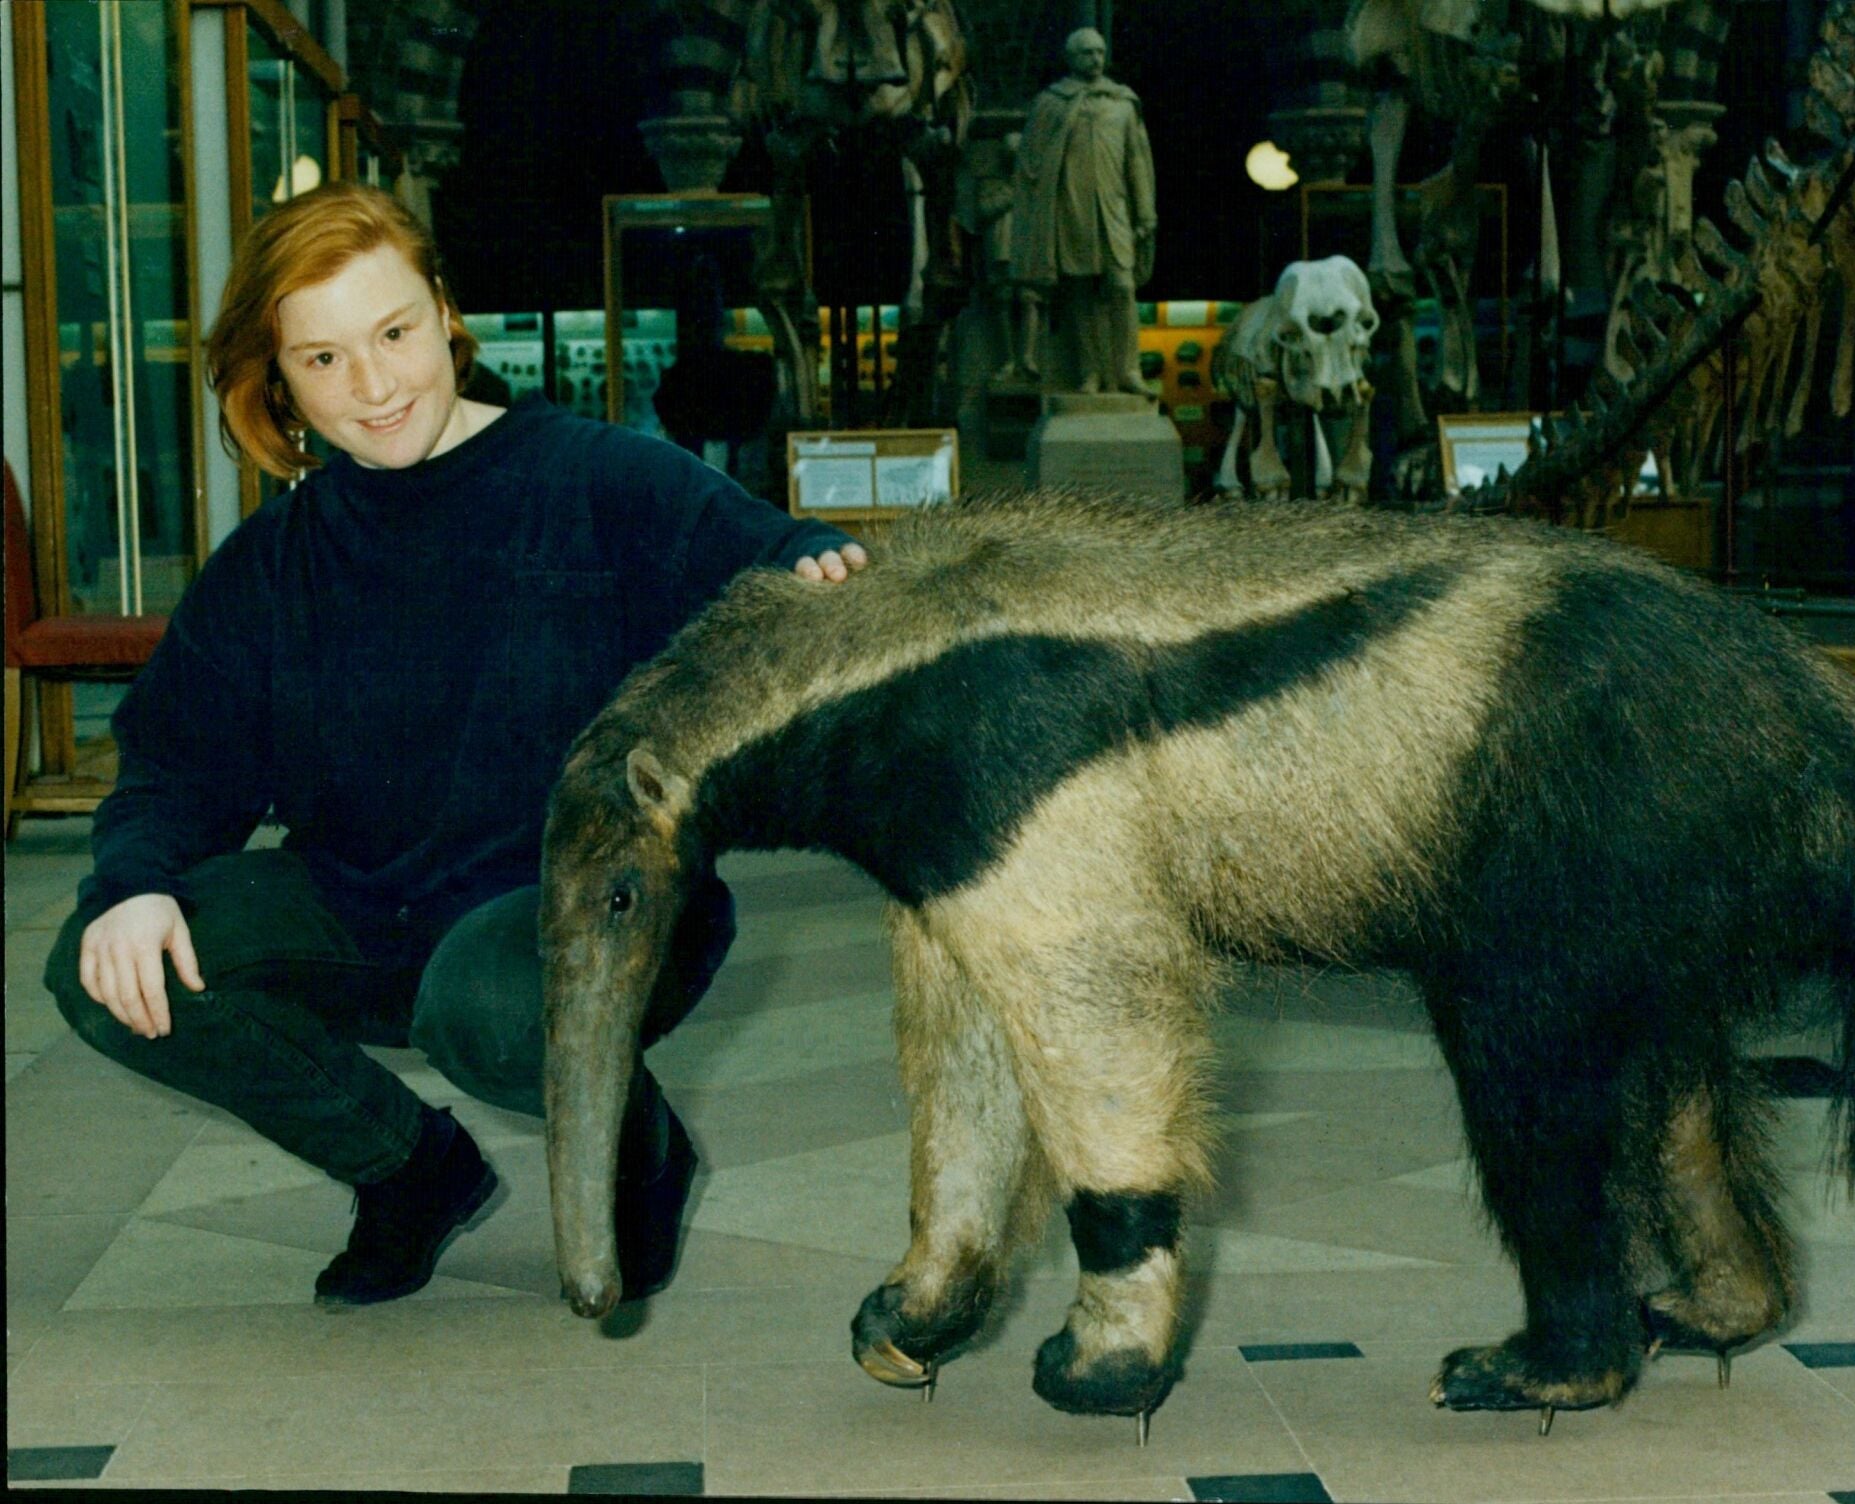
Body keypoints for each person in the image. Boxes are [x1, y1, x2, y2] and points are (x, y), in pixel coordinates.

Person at [42, 182, 868, 1310]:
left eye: (391, 334)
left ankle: (637, 1147)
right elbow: (177, 766)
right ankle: (410, 1172)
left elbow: (767, 554)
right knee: (105, 965)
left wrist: (818, 558)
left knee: (482, 1005)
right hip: (367, 907)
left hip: (582, 909)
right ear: (277, 378)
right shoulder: (273, 564)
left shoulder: (593, 478)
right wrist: (133, 889)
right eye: (322, 359)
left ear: (441, 313)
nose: (373, 387)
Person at [1011, 27, 1157, 396]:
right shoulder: (1052, 103)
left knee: (1122, 289)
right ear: (1071, 58)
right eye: (1087, 53)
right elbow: (1031, 164)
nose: (1095, 59)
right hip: (1072, 213)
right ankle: (1090, 373)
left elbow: (1137, 161)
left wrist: (1146, 213)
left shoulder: (1123, 104)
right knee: (1082, 296)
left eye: (1100, 52)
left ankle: (1128, 370)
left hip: (1114, 213)